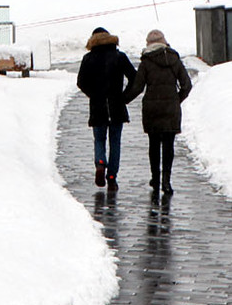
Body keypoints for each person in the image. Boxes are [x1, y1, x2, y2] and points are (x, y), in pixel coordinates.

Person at [76, 26, 137, 190]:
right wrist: (124, 97)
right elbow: (134, 78)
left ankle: (100, 163)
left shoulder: (88, 58)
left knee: (100, 139)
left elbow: (81, 82)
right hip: (117, 106)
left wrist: (93, 95)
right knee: (115, 142)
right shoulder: (119, 56)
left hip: (98, 107)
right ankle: (111, 176)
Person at [134, 28, 192, 194]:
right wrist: (176, 100)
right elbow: (186, 85)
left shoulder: (146, 62)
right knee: (168, 145)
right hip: (170, 109)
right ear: (164, 42)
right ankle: (167, 180)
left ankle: (155, 178)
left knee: (154, 145)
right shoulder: (174, 59)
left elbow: (138, 87)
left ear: (148, 44)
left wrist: (121, 101)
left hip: (152, 109)